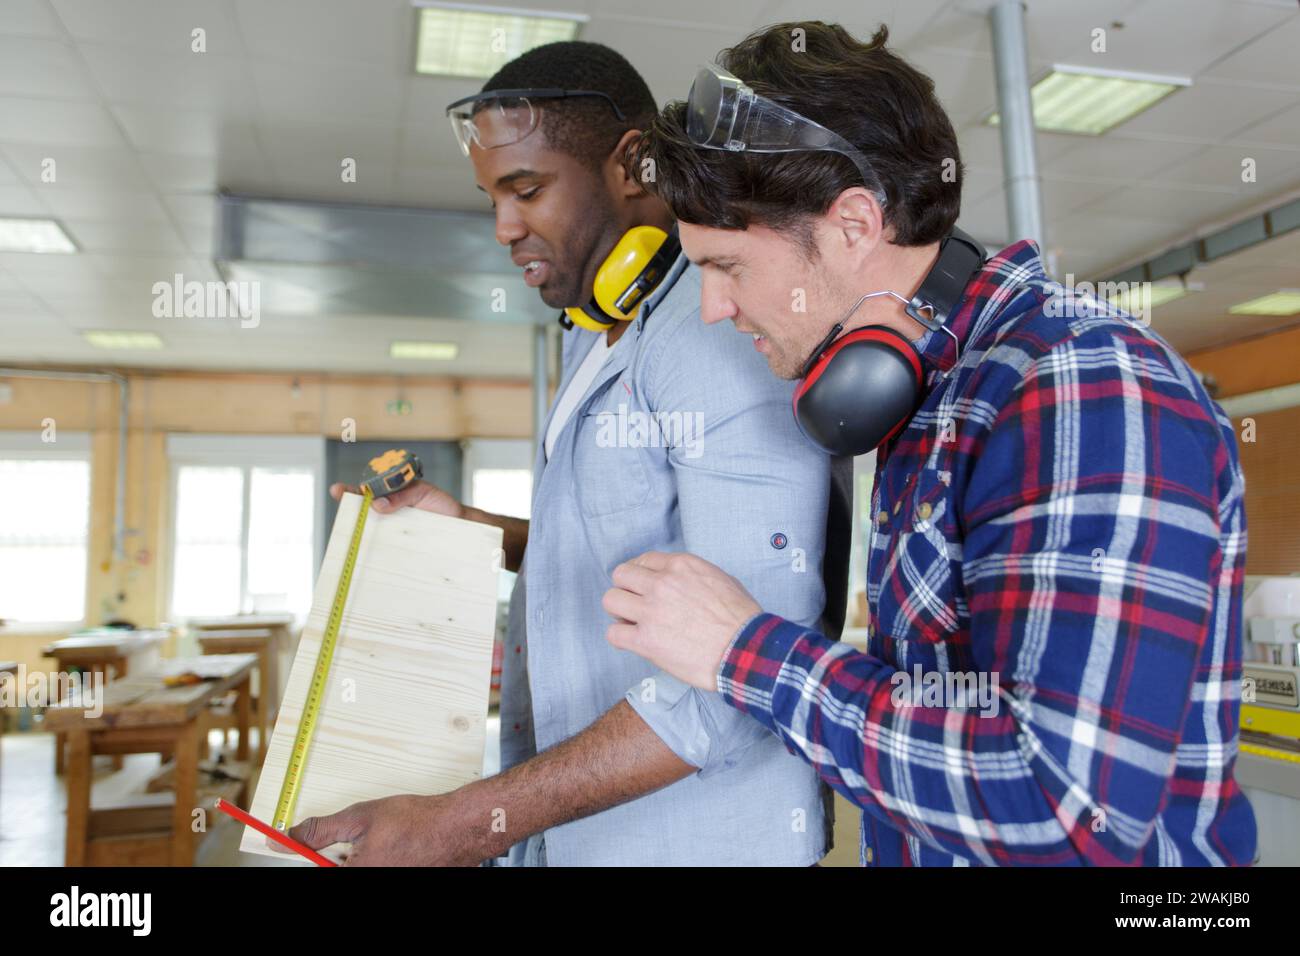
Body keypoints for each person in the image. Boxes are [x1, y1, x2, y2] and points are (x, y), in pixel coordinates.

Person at [603, 21, 1257, 866]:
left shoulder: (1080, 386)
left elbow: (1064, 815)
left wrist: (743, 651)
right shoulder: (932, 397)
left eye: (728, 266)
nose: (714, 310)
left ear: (851, 223)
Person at [285, 41, 851, 866]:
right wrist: (472, 530)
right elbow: (606, 554)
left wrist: (460, 821)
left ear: (631, 164)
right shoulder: (598, 335)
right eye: (490, 199)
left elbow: (740, 677)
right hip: (574, 832)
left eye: (526, 189)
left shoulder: (723, 330)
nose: (504, 227)